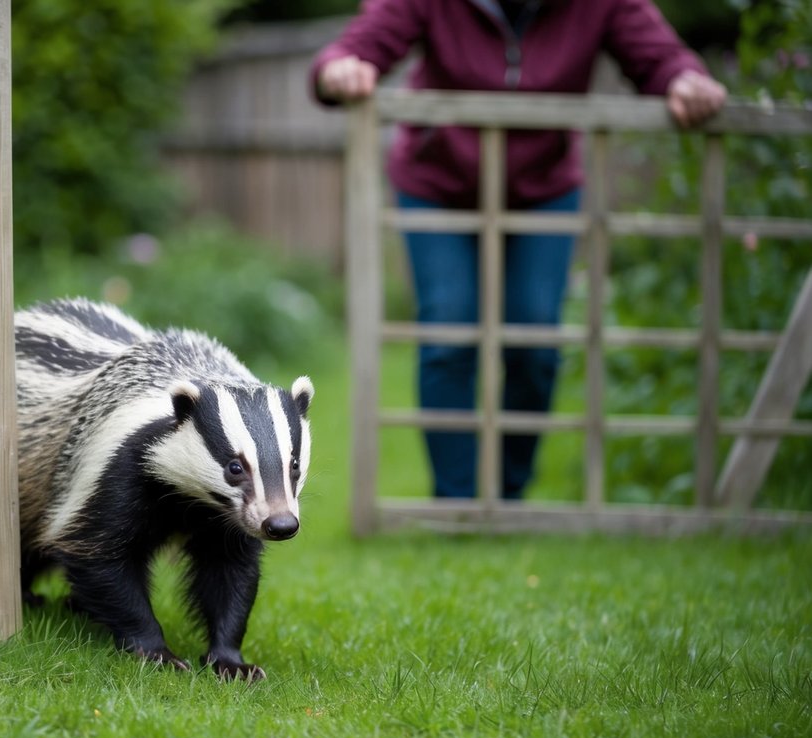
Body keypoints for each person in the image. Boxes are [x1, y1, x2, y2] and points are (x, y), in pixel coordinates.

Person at [310, 0, 726, 499]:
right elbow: (359, 47)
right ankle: (456, 504)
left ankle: (507, 494)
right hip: (439, 182)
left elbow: (658, 57)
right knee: (449, 332)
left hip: (543, 189)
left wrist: (684, 78)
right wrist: (340, 70)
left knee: (535, 342)